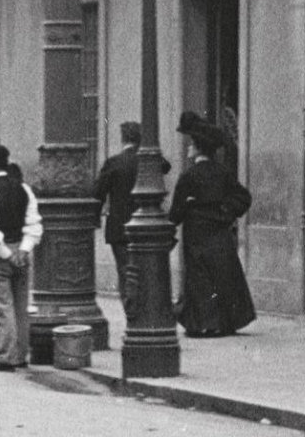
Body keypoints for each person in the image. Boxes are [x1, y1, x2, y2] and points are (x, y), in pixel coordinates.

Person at [170, 119, 256, 339]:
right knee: (221, 276)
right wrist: (226, 212)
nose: (189, 147)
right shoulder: (223, 172)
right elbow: (243, 197)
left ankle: (204, 324)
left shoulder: (188, 176)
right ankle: (224, 322)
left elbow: (176, 212)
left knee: (200, 279)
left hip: (196, 233)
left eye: (191, 144)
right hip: (218, 231)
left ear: (198, 148)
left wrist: (181, 213)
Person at [0, 143, 42, 371]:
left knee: (2, 305)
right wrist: (24, 250)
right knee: (21, 305)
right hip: (22, 252)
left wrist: (6, 253)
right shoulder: (24, 189)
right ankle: (21, 353)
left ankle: (7, 356)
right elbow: (33, 222)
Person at [93, 121, 170, 317]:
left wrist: (95, 218)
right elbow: (166, 166)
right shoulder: (149, 160)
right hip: (148, 225)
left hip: (120, 227)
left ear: (123, 139)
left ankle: (131, 310)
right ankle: (147, 308)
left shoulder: (114, 162)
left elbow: (98, 192)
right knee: (147, 269)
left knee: (125, 271)